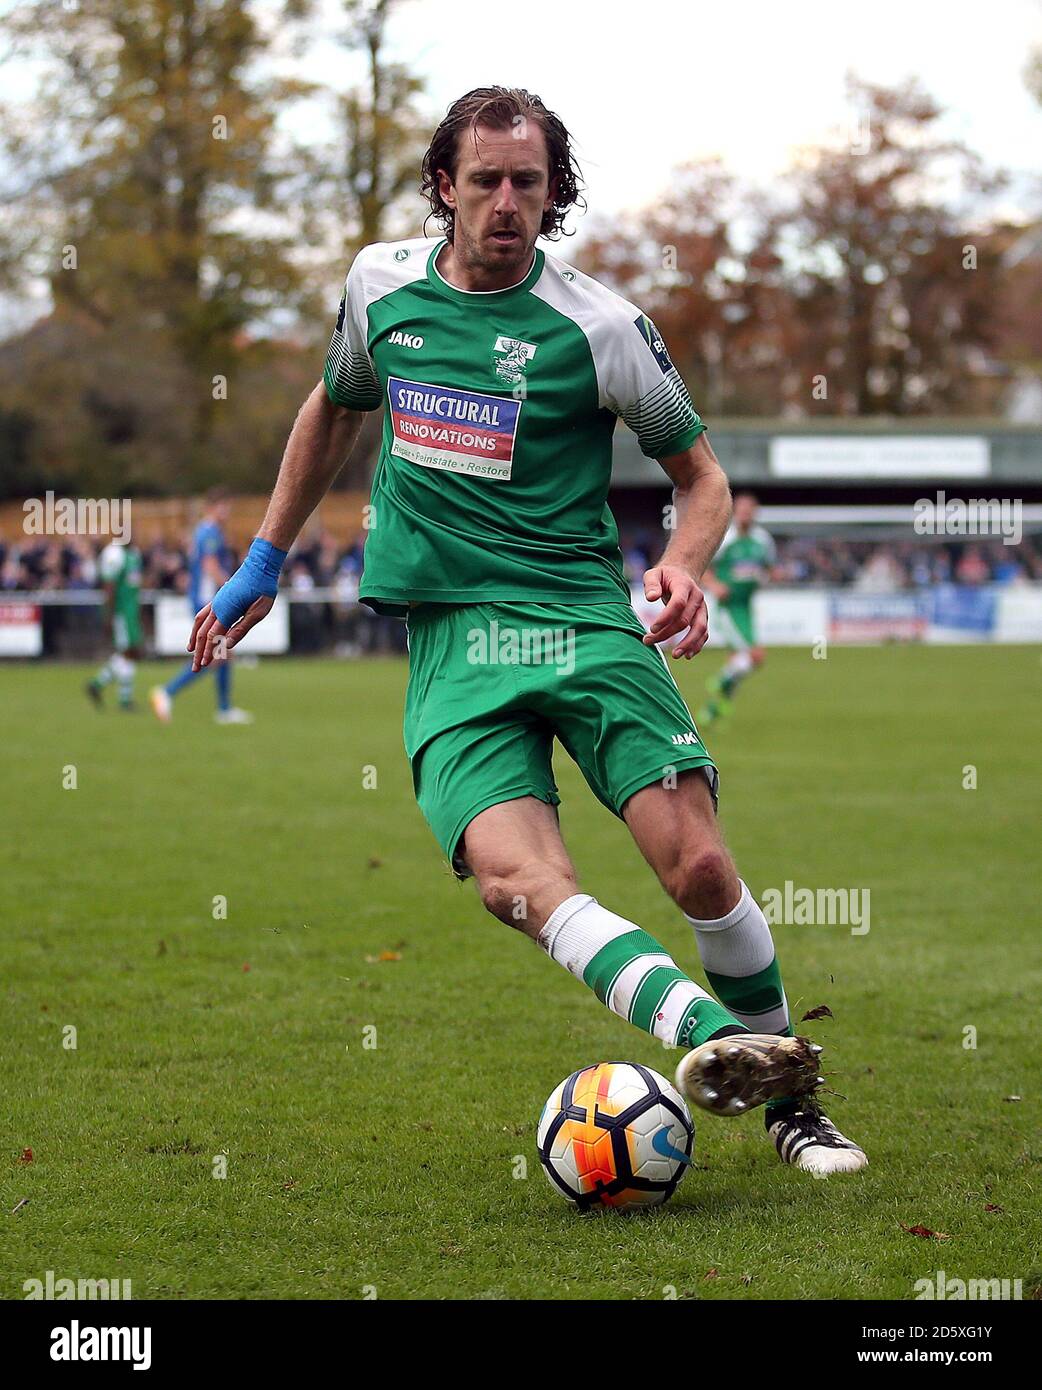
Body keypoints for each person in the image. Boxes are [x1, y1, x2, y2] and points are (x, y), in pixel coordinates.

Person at [187, 87, 865, 1175]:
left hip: (583, 624)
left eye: (528, 183)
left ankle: (792, 1103)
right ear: (443, 185)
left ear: (553, 196)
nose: (506, 202)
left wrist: (684, 568)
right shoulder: (380, 286)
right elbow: (334, 404)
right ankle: (729, 1047)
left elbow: (700, 478)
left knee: (695, 867)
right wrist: (262, 558)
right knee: (518, 885)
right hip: (454, 641)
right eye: (486, 180)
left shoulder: (600, 327)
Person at [150, 489, 252, 724]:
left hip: (205, 598)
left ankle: (224, 709)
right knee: (216, 654)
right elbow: (209, 564)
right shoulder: (209, 532)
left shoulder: (207, 532)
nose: (227, 512)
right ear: (211, 507)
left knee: (224, 652)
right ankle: (167, 692)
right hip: (208, 600)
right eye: (223, 506)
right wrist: (232, 586)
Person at [698, 493, 775, 727]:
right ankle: (721, 681)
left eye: (748, 510)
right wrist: (714, 585)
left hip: (746, 606)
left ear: (754, 513)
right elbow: (703, 567)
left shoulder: (763, 540)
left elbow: (769, 568)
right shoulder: (726, 539)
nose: (744, 514)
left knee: (737, 662)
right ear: (734, 512)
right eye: (740, 510)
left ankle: (713, 711)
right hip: (728, 608)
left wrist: (763, 578)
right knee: (755, 656)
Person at [86, 538, 143, 711]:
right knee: (127, 652)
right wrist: (108, 615)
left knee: (132, 652)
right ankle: (124, 700)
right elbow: (109, 587)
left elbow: (134, 584)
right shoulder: (114, 554)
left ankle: (97, 684)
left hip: (132, 611)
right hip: (121, 613)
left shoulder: (134, 554)